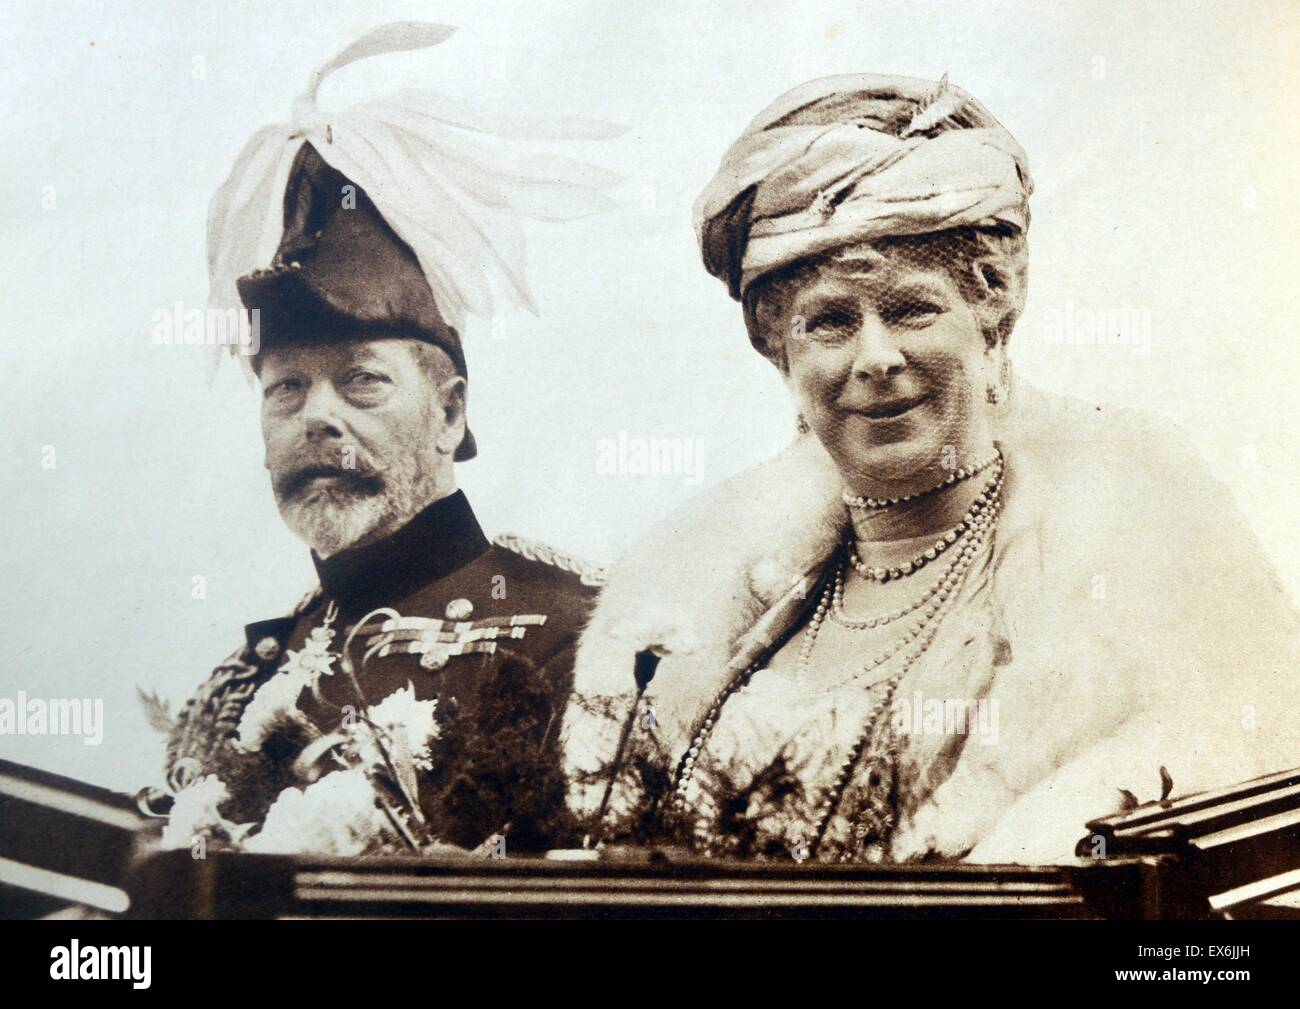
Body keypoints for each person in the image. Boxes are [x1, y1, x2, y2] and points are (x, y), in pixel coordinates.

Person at [560, 73, 1300, 864]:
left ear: (990, 311)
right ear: (777, 345)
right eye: (831, 322)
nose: (875, 358)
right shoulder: (731, 616)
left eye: (912, 309)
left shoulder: (1116, 572)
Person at [145, 24, 613, 856]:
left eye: (363, 380)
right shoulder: (246, 678)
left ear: (450, 414)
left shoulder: (577, 630)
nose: (318, 415)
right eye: (285, 386)